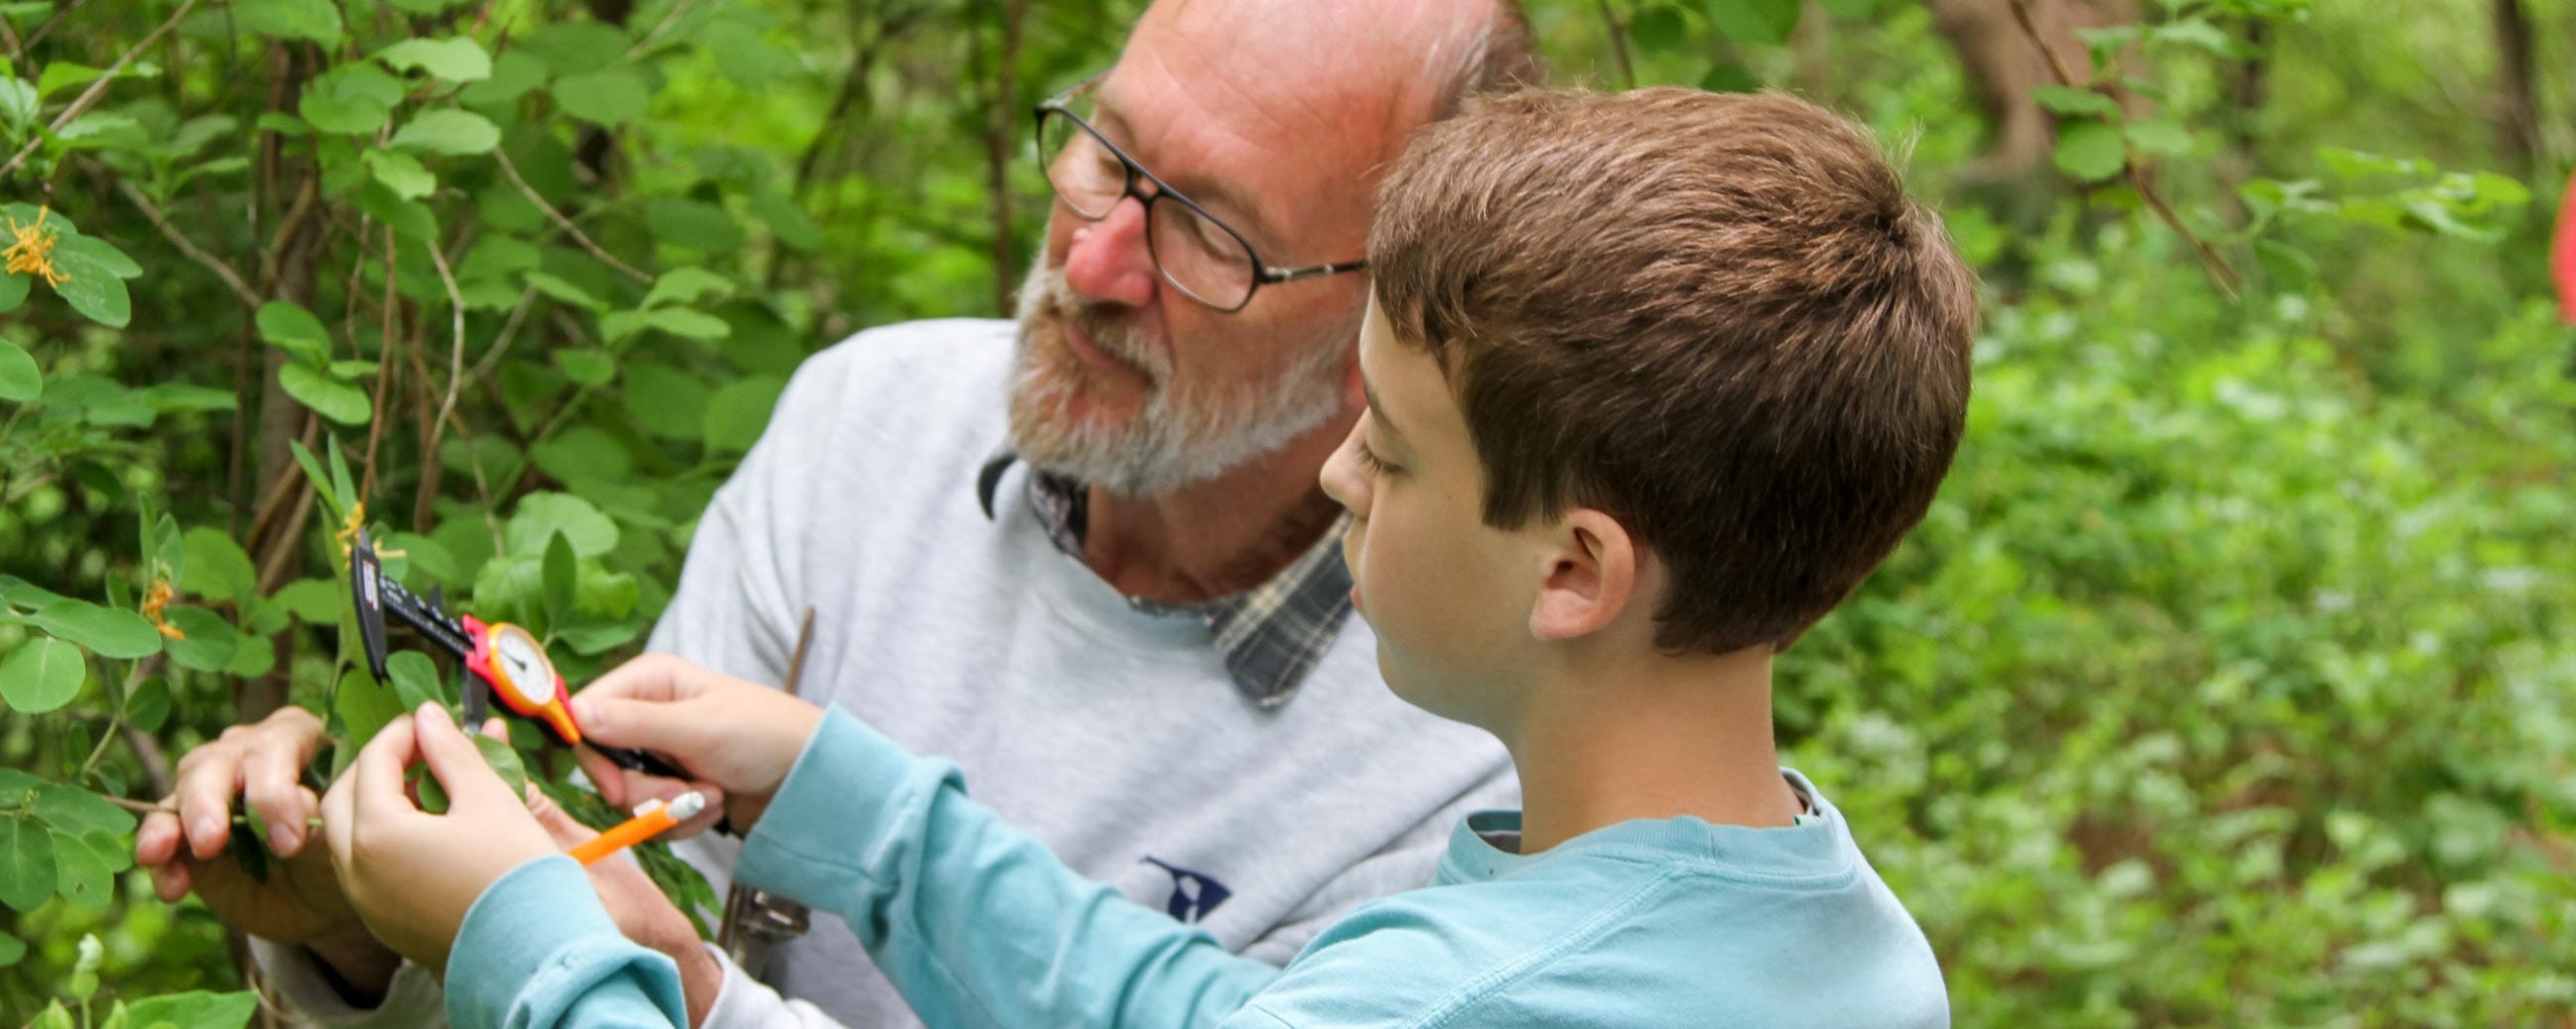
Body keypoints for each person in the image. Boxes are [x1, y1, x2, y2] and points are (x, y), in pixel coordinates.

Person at [325, 85, 1980, 1028]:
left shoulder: (1476, 999)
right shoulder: (1819, 943)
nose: (1339, 470)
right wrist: (861, 813)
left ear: (1574, 572)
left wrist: (533, 945)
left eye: (1391, 452)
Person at [133, 2, 1537, 1025]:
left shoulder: (1471, 755)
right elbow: (580, 926)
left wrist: (663, 988)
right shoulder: (865, 428)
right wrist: (361, 933)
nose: (1096, 257)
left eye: (1206, 233)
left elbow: (607, 971)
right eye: (1107, 152)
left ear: (1387, 312)